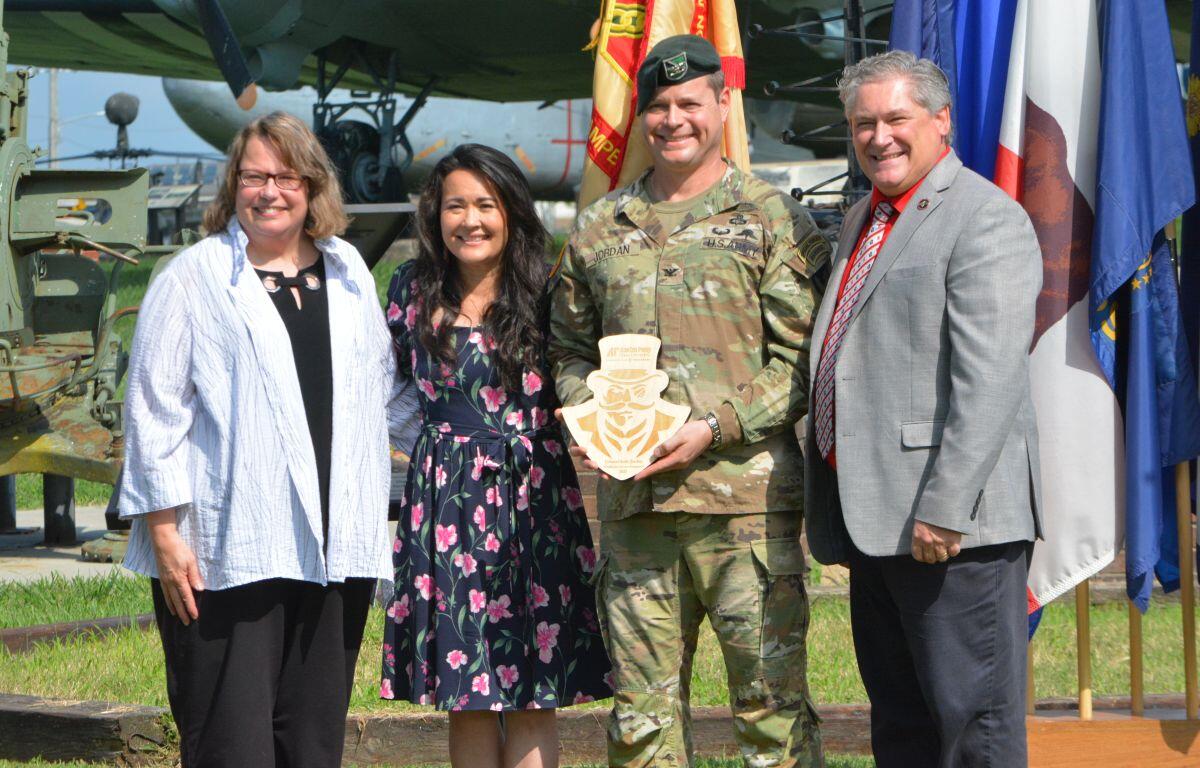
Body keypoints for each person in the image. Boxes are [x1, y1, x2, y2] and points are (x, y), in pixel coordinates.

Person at [551, 34, 829, 768]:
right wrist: (591, 413)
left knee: (772, 719)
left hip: (745, 514)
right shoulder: (599, 229)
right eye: (659, 107)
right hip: (637, 513)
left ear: (723, 104)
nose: (674, 119)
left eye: (689, 103)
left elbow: (804, 360)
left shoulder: (772, 218)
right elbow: (570, 351)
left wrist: (716, 425)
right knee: (641, 729)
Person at [118, 111, 403, 767]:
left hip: (335, 549)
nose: (268, 191)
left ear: (312, 186)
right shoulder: (192, 278)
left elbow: (382, 388)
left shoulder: (349, 270)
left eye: (285, 176)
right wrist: (164, 534)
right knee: (231, 742)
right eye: (254, 176)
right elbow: (154, 410)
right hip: (228, 551)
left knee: (310, 743)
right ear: (233, 185)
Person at [803, 50, 1042, 768]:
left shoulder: (985, 218)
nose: (879, 137)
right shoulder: (861, 221)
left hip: (949, 528)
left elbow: (990, 377)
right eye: (863, 123)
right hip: (877, 520)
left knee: (974, 727)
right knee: (903, 724)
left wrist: (945, 505)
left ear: (942, 121)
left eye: (896, 119)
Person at [380, 143, 611, 768]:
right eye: (455, 205)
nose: (470, 220)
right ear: (435, 216)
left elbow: (590, 375)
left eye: (486, 204)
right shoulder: (410, 287)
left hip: (533, 498)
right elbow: (385, 394)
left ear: (511, 212)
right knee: (469, 691)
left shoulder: (548, 289)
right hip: (445, 502)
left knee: (536, 688)